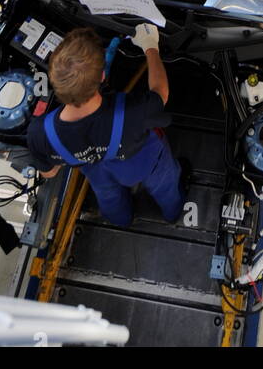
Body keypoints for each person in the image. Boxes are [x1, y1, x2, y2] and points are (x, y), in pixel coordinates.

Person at [26, 24, 185, 229]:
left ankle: (122, 221)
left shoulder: (39, 132)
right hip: (141, 164)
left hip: (95, 169)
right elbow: (160, 92)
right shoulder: (133, 113)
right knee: (165, 185)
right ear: (102, 77)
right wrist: (150, 47)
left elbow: (49, 173)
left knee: (108, 196)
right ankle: (173, 213)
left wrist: (69, 155)